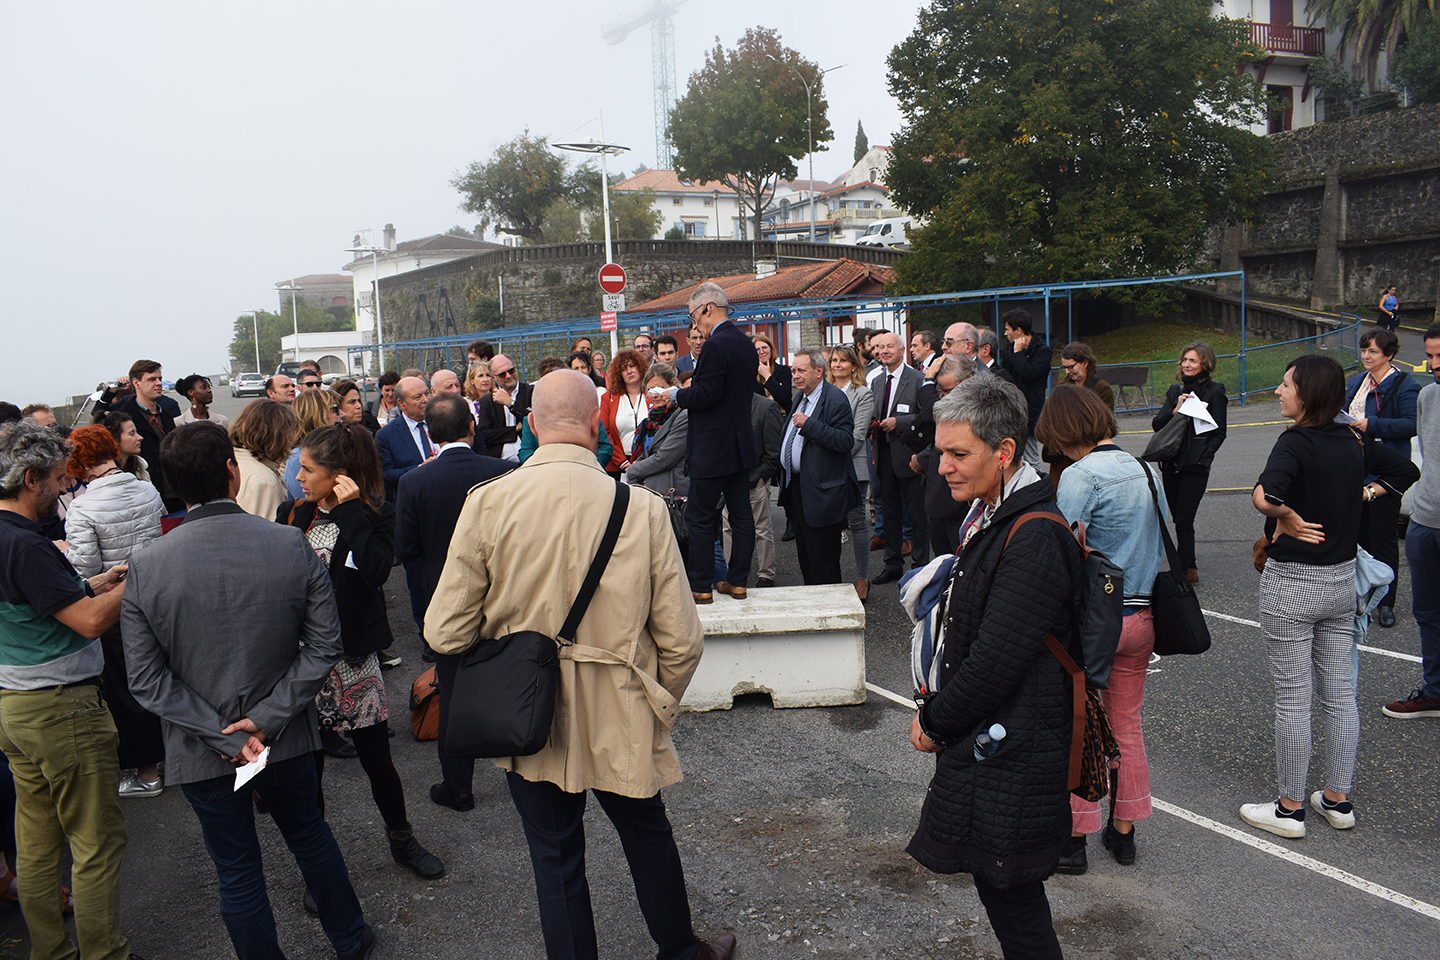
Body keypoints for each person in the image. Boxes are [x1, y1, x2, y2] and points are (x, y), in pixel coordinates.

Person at [425, 370, 736, 960]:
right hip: (619, 701)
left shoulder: (488, 503)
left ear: (531, 424)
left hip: (524, 709)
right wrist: (654, 700)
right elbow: (681, 640)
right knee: (647, 836)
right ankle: (682, 952)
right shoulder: (639, 508)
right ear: (595, 423)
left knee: (555, 857)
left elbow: (444, 631)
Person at [121, 421, 376, 960]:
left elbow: (146, 680)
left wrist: (221, 734)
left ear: (174, 484)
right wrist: (267, 717)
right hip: (283, 737)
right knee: (310, 836)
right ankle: (350, 940)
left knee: (236, 868)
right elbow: (324, 645)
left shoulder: (147, 565)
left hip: (201, 747)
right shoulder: (288, 542)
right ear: (232, 473)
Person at [905, 376, 1081, 960]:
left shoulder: (1031, 536)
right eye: (940, 453)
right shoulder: (993, 514)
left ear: (1004, 453)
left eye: (959, 455)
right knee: (1007, 895)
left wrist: (935, 722)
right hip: (999, 741)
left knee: (1015, 902)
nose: (944, 467)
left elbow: (996, 660)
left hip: (1013, 746)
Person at [1243, 355, 1418, 839]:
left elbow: (1265, 493)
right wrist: (1369, 493)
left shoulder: (1295, 441)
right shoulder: (1354, 440)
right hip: (1341, 585)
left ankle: (1290, 809)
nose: (1278, 392)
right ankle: (1338, 800)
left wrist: (1281, 514)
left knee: (1293, 699)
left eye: (1284, 385)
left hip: (1293, 586)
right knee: (1341, 696)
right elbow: (1406, 470)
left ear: (1308, 394)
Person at [280, 423, 445, 879]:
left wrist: (350, 511)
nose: (299, 477)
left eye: (308, 470)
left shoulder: (375, 514)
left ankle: (402, 840)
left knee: (378, 763)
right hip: (300, 664)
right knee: (308, 770)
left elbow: (374, 572)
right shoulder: (293, 513)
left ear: (341, 475)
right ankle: (318, 868)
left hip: (353, 660)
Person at [0, 420, 138, 960]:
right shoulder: (28, 546)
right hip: (63, 710)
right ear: (31, 478)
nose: (66, 488)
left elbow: (37, 602)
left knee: (35, 845)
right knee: (96, 841)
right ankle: (106, 952)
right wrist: (134, 582)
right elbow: (86, 623)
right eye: (58, 479)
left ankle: (50, 951)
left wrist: (96, 582)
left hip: (17, 706)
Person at [1036, 385, 1166, 874]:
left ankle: (1074, 838)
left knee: (1080, 726)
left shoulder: (1080, 474)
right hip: (1143, 616)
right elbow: (1163, 542)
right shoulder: (1146, 470)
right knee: (1126, 726)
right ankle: (1124, 832)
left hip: (1096, 622)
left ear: (1063, 431)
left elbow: (1057, 546)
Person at [394, 395, 513, 811]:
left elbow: (405, 546)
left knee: (454, 692)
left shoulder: (414, 482)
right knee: (510, 683)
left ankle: (458, 786)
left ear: (429, 434)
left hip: (444, 603)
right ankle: (522, 775)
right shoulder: (504, 472)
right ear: (472, 428)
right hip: (503, 599)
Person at [61, 425, 166, 799]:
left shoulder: (82, 508)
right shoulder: (147, 488)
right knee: (163, 674)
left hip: (117, 606)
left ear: (77, 464)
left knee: (127, 687)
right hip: (158, 594)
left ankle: (147, 772)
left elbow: (85, 570)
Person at [650, 283, 757, 603]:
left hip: (712, 447)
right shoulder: (745, 343)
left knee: (699, 515)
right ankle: (737, 581)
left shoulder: (714, 346)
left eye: (694, 316)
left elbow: (708, 394)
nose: (694, 324)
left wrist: (673, 394)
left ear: (708, 309)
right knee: (741, 515)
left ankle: (700, 586)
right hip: (739, 443)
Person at [1344, 328, 1421, 627]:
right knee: (1359, 535)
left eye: (1373, 351)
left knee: (1383, 537)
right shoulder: (1354, 383)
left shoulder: (1405, 384)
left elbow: (1410, 424)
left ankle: (1386, 602)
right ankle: (1362, 594)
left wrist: (1370, 424)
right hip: (1355, 468)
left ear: (1388, 355)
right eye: (1364, 349)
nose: (1366, 355)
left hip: (1386, 473)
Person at [1383, 323, 1440, 718]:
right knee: (1428, 614)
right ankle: (1435, 692)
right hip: (1425, 521)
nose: (1434, 365)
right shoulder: (1429, 396)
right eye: (1430, 356)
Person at [777, 351, 859, 585]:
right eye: (793, 371)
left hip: (823, 495)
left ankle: (831, 614)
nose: (795, 376)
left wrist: (810, 425)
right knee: (806, 558)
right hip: (800, 489)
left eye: (801, 370)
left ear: (819, 371)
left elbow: (845, 440)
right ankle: (814, 607)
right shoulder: (800, 397)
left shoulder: (834, 399)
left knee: (824, 562)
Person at [1152, 341, 1228, 584]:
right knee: (1176, 518)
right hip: (1171, 463)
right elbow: (1157, 425)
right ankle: (1185, 566)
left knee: (1185, 519)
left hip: (1195, 466)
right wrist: (1175, 410)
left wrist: (1203, 460)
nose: (1187, 364)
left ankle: (1187, 570)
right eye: (1184, 360)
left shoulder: (1215, 392)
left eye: (1192, 360)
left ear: (1205, 363)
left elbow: (1219, 433)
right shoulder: (1175, 391)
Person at [867, 331, 929, 584]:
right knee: (889, 513)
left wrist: (899, 422)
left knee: (916, 514)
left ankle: (921, 565)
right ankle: (892, 565)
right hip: (883, 456)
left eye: (890, 347)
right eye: (880, 347)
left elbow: (928, 415)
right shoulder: (876, 381)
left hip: (909, 455)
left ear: (902, 350)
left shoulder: (918, 379)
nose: (884, 351)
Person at [910, 355, 976, 558]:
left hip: (963, 505)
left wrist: (928, 380)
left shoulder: (978, 405)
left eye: (949, 390)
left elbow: (934, 415)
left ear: (969, 378)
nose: (944, 397)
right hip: (939, 501)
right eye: (941, 391)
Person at [93, 359, 181, 510]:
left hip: (176, 493)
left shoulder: (166, 413)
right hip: (144, 496)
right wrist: (110, 392)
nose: (159, 383)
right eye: (152, 379)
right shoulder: (124, 415)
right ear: (136, 382)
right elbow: (97, 415)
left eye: (159, 378)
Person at [723, 381, 785, 589]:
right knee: (727, 528)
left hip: (754, 480)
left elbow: (773, 452)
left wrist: (760, 478)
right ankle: (729, 575)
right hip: (727, 479)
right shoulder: (723, 406)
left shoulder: (766, 407)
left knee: (761, 529)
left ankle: (766, 574)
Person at [829, 344, 875, 600]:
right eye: (834, 360)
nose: (837, 365)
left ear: (854, 367)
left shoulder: (862, 394)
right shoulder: (823, 391)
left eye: (843, 361)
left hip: (853, 466)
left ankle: (862, 578)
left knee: (858, 524)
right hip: (826, 470)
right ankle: (832, 578)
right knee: (831, 525)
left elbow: (857, 437)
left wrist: (829, 447)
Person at [1044, 343, 1115, 488]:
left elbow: (1107, 426)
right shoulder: (1062, 387)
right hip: (1062, 458)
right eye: (1064, 368)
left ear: (1085, 363)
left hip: (1092, 458)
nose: (1068, 372)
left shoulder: (1102, 389)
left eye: (1071, 367)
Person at [998, 309, 1053, 469]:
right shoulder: (1009, 349)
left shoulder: (1042, 351)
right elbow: (1005, 374)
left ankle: (1035, 488)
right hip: (1012, 409)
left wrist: (1018, 353)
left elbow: (1029, 373)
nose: (1005, 333)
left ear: (1018, 330)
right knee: (1012, 455)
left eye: (1008, 329)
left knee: (1030, 458)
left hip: (1030, 411)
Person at [228, 399, 299, 520]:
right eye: (290, 433)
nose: (292, 439)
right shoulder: (263, 480)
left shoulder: (234, 459)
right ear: (278, 437)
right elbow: (266, 533)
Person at [627, 364, 690, 497]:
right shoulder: (649, 421)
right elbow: (644, 454)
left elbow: (665, 458)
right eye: (650, 389)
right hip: (651, 490)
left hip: (674, 493)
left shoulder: (684, 415)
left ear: (673, 386)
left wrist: (632, 470)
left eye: (660, 388)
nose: (654, 394)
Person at [599, 350, 650, 478]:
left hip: (649, 462)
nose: (629, 371)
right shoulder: (608, 398)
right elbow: (604, 432)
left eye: (632, 365)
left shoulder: (653, 395)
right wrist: (623, 463)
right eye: (623, 369)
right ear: (618, 374)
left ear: (640, 366)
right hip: (617, 466)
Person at [284, 388, 343, 499]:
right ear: (317, 415)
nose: (342, 414)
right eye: (335, 409)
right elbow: (307, 502)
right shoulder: (298, 457)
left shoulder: (338, 447)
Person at [95, 411, 151, 482]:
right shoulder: (98, 473)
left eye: (136, 432)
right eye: (132, 433)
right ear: (113, 439)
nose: (140, 437)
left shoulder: (140, 465)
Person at [753, 333, 793, 410]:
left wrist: (767, 376)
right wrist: (776, 387)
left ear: (771, 349)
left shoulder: (784, 370)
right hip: (759, 419)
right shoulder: (751, 374)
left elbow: (783, 397)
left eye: (764, 347)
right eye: (757, 349)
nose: (761, 352)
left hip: (782, 418)